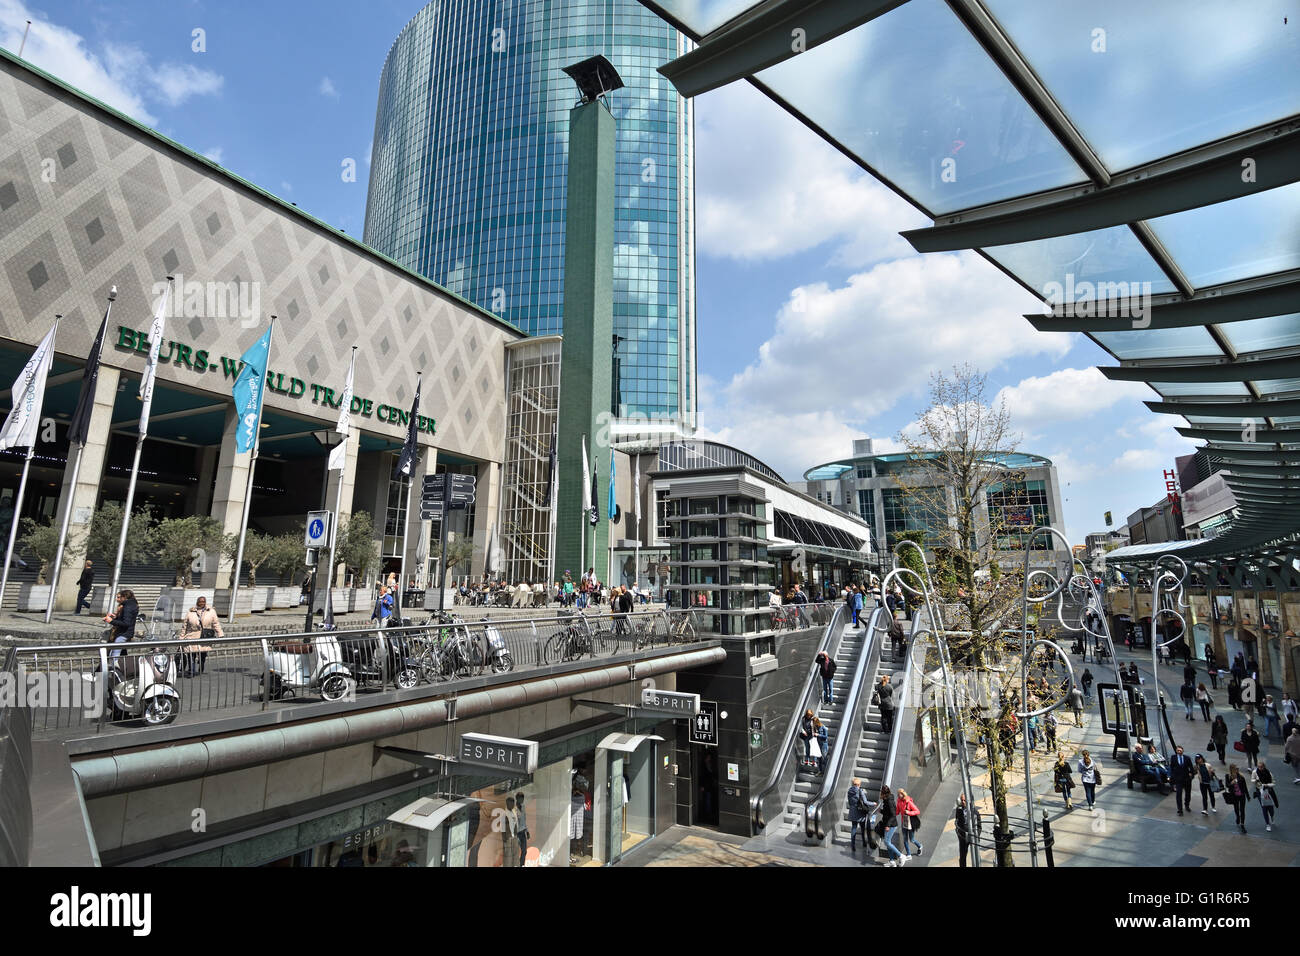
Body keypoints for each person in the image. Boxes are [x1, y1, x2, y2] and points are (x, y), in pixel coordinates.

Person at [180, 595, 222, 677]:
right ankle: (191, 671)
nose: (202, 603)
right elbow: (184, 626)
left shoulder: (211, 611)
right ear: (197, 602)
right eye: (200, 601)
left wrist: (220, 634)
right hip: (192, 635)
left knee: (203, 654)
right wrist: (181, 637)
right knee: (191, 654)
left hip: (205, 636)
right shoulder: (190, 612)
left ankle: (201, 665)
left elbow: (216, 623)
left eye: (203, 601)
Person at [877, 785, 905, 866]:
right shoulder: (887, 800)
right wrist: (880, 811)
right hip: (888, 824)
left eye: (881, 793)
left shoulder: (889, 801)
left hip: (891, 825)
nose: (880, 794)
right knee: (888, 842)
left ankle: (901, 856)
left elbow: (893, 814)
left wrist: (888, 825)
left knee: (887, 842)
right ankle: (892, 861)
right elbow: (887, 813)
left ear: (883, 793)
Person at [846, 777, 874, 852]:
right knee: (862, 827)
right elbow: (865, 802)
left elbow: (849, 801)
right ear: (859, 784)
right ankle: (864, 842)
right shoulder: (860, 791)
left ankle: (853, 845)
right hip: (860, 811)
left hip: (852, 810)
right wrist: (873, 803)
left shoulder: (849, 790)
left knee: (854, 828)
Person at [954, 793, 980, 868]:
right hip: (963, 837)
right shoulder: (959, 810)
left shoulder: (974, 811)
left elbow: (979, 826)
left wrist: (976, 835)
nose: (963, 802)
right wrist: (959, 833)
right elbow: (958, 821)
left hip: (972, 835)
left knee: (975, 855)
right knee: (962, 856)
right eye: (962, 800)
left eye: (964, 800)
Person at [1252, 761, 1279, 832]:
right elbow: (1252, 780)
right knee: (1264, 808)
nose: (1260, 768)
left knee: (1271, 808)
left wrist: (1267, 785)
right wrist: (1255, 780)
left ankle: (1272, 816)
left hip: (1269, 791)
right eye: (1258, 767)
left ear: (1264, 767)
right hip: (1260, 792)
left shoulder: (1269, 773)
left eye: (1261, 767)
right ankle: (1268, 824)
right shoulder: (1255, 772)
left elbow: (1273, 783)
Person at [896, 788, 923, 856]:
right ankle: (908, 854)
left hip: (910, 823)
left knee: (912, 839)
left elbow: (918, 811)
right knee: (905, 839)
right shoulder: (899, 802)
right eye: (898, 794)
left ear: (903, 794)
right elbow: (897, 812)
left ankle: (920, 846)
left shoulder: (909, 802)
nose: (898, 795)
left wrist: (909, 812)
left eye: (899, 794)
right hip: (904, 823)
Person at [1169, 745, 1194, 816]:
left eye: (1180, 750)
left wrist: (1191, 775)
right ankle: (1180, 810)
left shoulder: (1187, 758)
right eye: (1178, 750)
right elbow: (1172, 767)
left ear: (1183, 751)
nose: (1179, 751)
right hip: (1178, 780)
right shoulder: (1173, 758)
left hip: (1186, 779)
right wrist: (1172, 777)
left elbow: (1191, 768)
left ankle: (1187, 805)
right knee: (1178, 795)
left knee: (1188, 794)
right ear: (1176, 751)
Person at [1224, 764, 1250, 833]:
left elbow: (1245, 787)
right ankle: (1237, 817)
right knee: (1236, 808)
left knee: (1242, 810)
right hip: (1234, 795)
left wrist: (1248, 796)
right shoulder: (1228, 776)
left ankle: (1242, 824)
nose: (1237, 770)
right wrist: (1231, 783)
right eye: (1236, 769)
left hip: (1242, 795)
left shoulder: (1241, 777)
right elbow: (1227, 785)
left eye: (1237, 769)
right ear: (1232, 770)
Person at [514, 792, 530, 866]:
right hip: (517, 833)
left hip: (523, 832)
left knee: (524, 851)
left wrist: (527, 831)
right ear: (517, 799)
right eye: (521, 798)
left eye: (523, 798)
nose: (523, 800)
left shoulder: (523, 807)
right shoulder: (514, 809)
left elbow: (524, 820)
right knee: (516, 851)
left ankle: (521, 864)